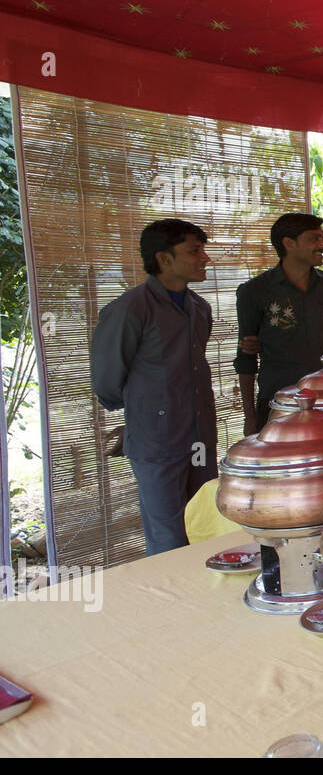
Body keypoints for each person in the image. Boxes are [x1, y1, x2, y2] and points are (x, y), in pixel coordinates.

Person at [90, 219, 218, 555]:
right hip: (157, 442)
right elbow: (106, 381)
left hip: (200, 437)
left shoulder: (199, 309)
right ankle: (170, 604)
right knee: (169, 539)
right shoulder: (129, 310)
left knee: (206, 525)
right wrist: (146, 409)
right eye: (194, 250)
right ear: (164, 259)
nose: (205, 257)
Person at [235, 213, 323, 434]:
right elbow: (246, 359)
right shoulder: (254, 291)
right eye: (314, 238)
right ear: (289, 243)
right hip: (277, 401)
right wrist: (250, 417)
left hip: (322, 401)